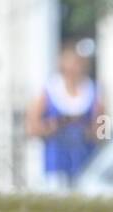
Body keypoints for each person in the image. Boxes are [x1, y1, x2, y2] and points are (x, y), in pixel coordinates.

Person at [25, 41, 105, 188]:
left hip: (85, 166)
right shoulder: (48, 92)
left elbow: (103, 132)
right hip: (55, 167)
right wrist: (55, 125)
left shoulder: (95, 93)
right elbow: (32, 128)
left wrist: (87, 129)